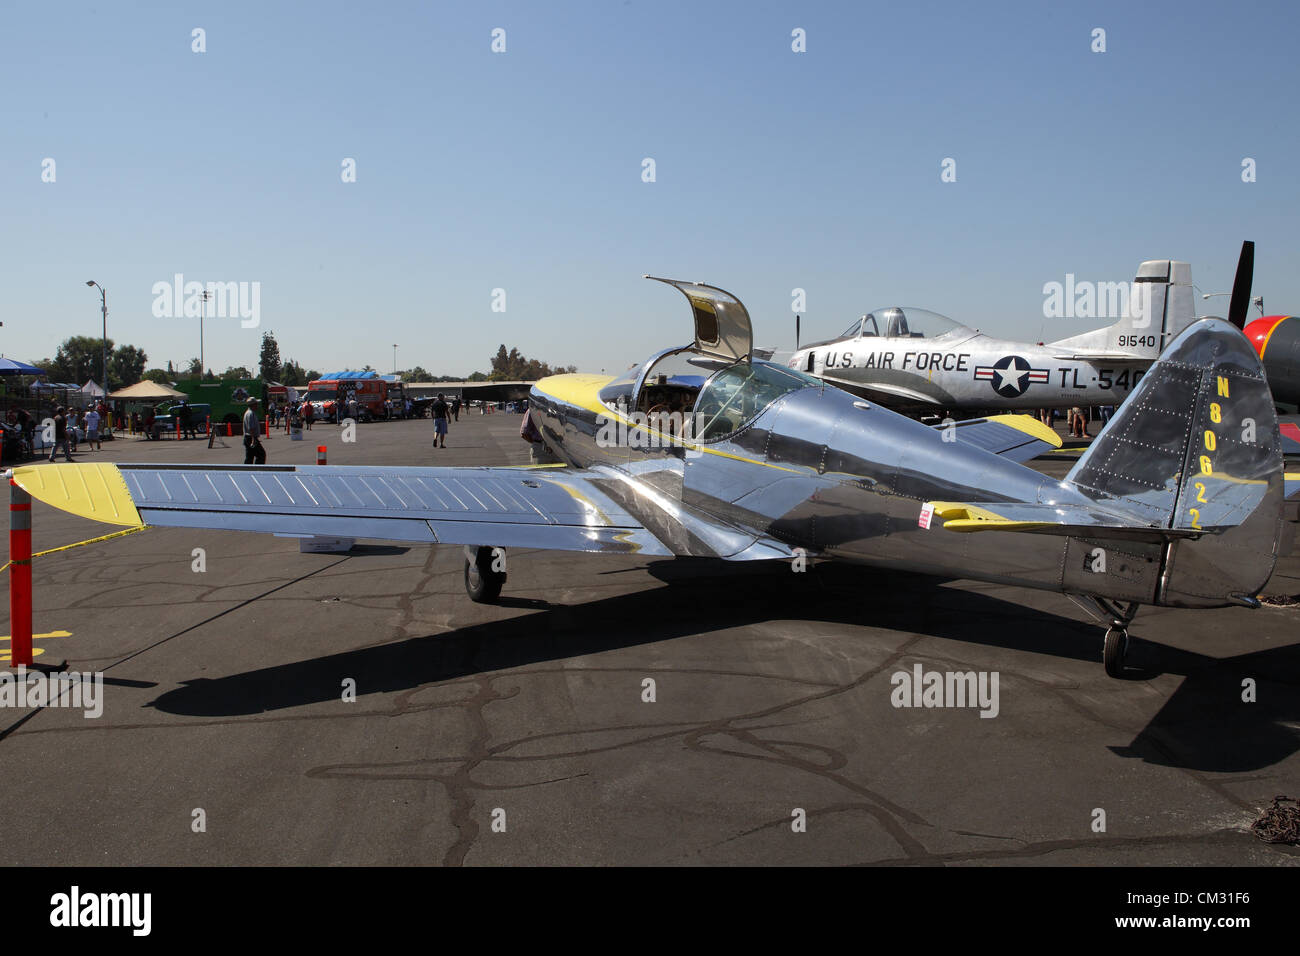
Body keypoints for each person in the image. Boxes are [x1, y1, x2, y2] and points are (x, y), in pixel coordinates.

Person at [242, 397, 266, 464]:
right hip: (251, 438)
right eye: (256, 404)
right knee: (261, 454)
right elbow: (251, 428)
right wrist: (253, 439)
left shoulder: (248, 413)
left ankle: (247, 470)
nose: (257, 405)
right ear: (253, 404)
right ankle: (258, 470)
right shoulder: (250, 414)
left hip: (248, 438)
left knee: (249, 457)